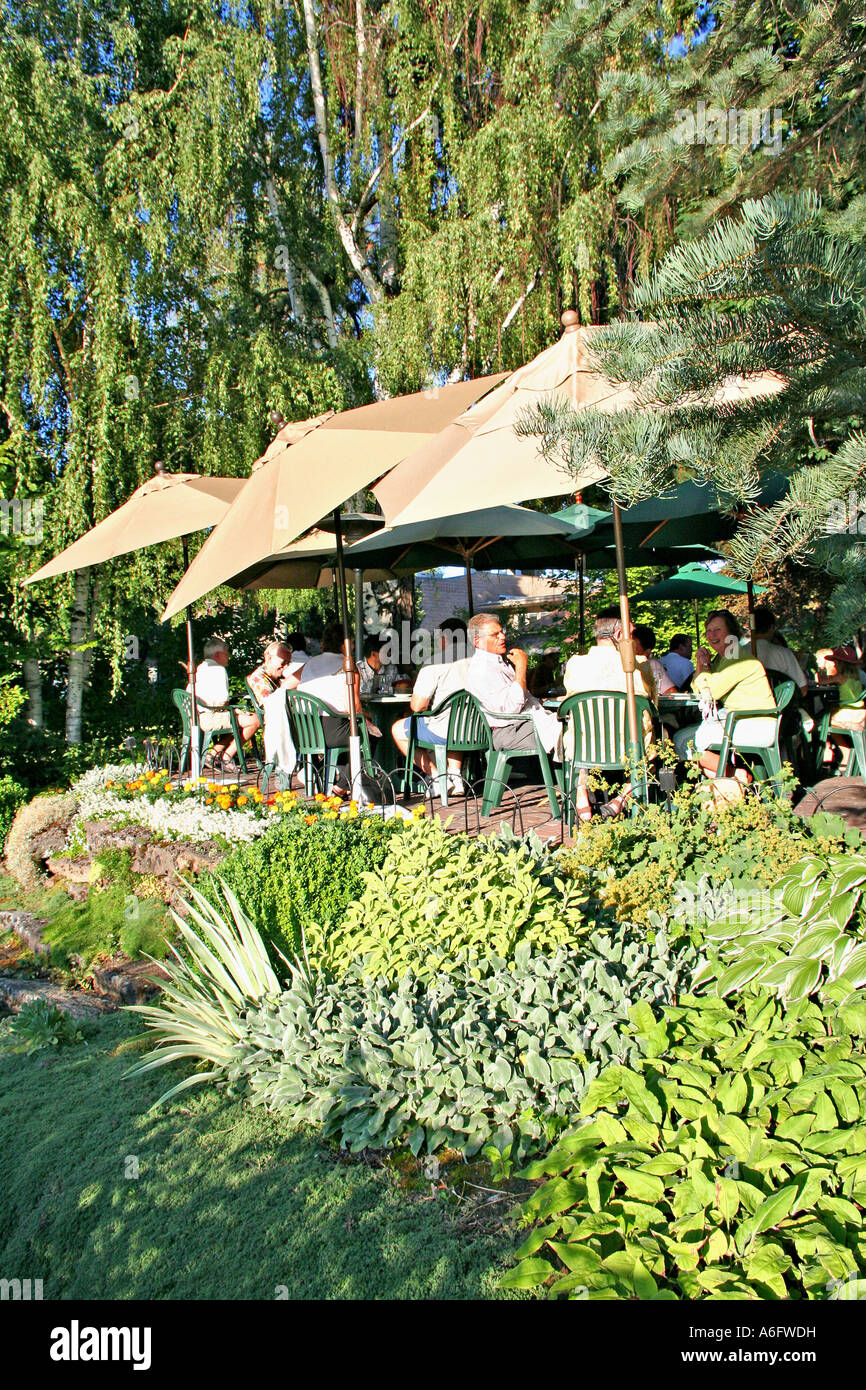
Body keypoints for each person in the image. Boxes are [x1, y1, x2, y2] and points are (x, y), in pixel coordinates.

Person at [562, 607, 657, 819]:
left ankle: (580, 795)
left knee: (582, 729)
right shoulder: (639, 665)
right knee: (657, 741)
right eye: (631, 635)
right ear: (620, 635)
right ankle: (620, 800)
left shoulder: (575, 664)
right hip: (629, 746)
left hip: (585, 746)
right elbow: (652, 703)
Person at [673, 617, 777, 780]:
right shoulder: (723, 658)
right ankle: (735, 782)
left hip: (756, 724)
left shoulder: (737, 659)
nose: (712, 635)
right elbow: (697, 687)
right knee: (683, 740)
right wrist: (701, 665)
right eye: (708, 631)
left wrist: (705, 667)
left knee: (685, 742)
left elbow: (712, 691)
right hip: (737, 721)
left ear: (731, 634)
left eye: (718, 630)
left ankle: (739, 776)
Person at [464, 613, 561, 757]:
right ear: (478, 642)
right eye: (495, 635)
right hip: (510, 730)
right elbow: (512, 708)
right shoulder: (482, 669)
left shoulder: (498, 662)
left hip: (526, 724)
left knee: (577, 723)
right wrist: (521, 667)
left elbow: (523, 699)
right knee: (572, 731)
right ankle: (583, 778)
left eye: (502, 632)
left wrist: (551, 701)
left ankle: (580, 777)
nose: (502, 637)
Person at [390, 618, 471, 790]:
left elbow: (417, 706)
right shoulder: (480, 660)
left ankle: (437, 777)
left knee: (398, 729)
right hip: (475, 729)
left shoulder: (437, 661)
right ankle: (455, 776)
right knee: (456, 720)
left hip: (444, 729)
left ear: (444, 638)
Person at [185, 638, 258, 768]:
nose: (229, 656)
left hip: (195, 718)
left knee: (239, 721)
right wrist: (235, 710)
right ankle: (226, 756)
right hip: (209, 718)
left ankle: (213, 754)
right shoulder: (218, 669)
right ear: (218, 655)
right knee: (255, 720)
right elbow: (222, 703)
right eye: (226, 653)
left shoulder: (200, 668)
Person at [297, 624, 361, 749]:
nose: (353, 646)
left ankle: (327, 768)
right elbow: (354, 707)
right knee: (373, 732)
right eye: (352, 642)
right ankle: (353, 769)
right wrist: (370, 717)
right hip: (333, 732)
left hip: (306, 731)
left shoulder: (309, 663)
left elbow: (287, 685)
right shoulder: (348, 667)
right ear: (345, 645)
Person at [741, 606, 808, 696]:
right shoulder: (784, 654)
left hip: (744, 707)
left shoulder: (739, 654)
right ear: (771, 628)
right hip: (780, 708)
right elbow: (803, 689)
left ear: (751, 628)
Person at [632, 624, 676, 696]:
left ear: (646, 652)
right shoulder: (616, 661)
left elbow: (671, 693)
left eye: (634, 648)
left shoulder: (652, 665)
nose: (629, 651)